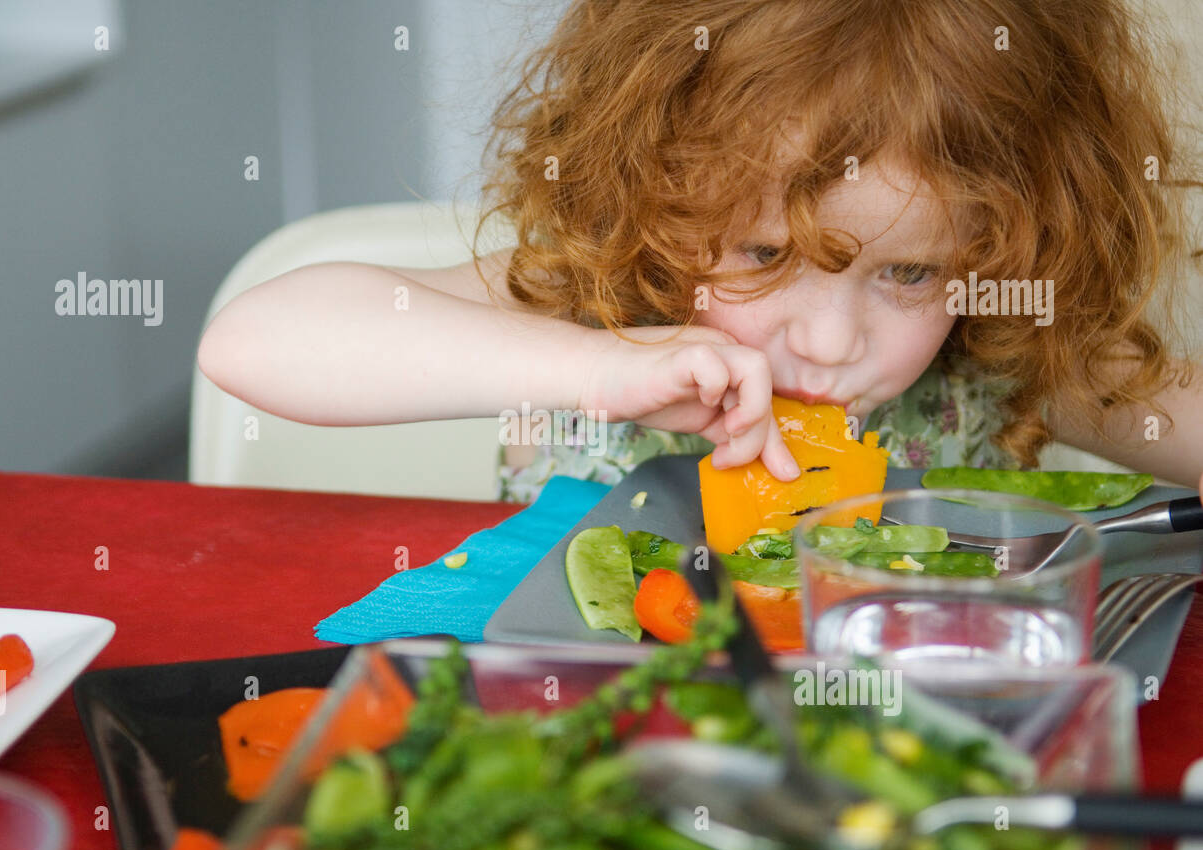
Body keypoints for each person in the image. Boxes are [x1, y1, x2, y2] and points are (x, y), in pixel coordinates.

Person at [198, 0, 1203, 505]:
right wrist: (598, 366)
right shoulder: (592, 304)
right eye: (766, 253)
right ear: (652, 197)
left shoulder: (999, 347)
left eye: (908, 272)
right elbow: (257, 340)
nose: (828, 340)